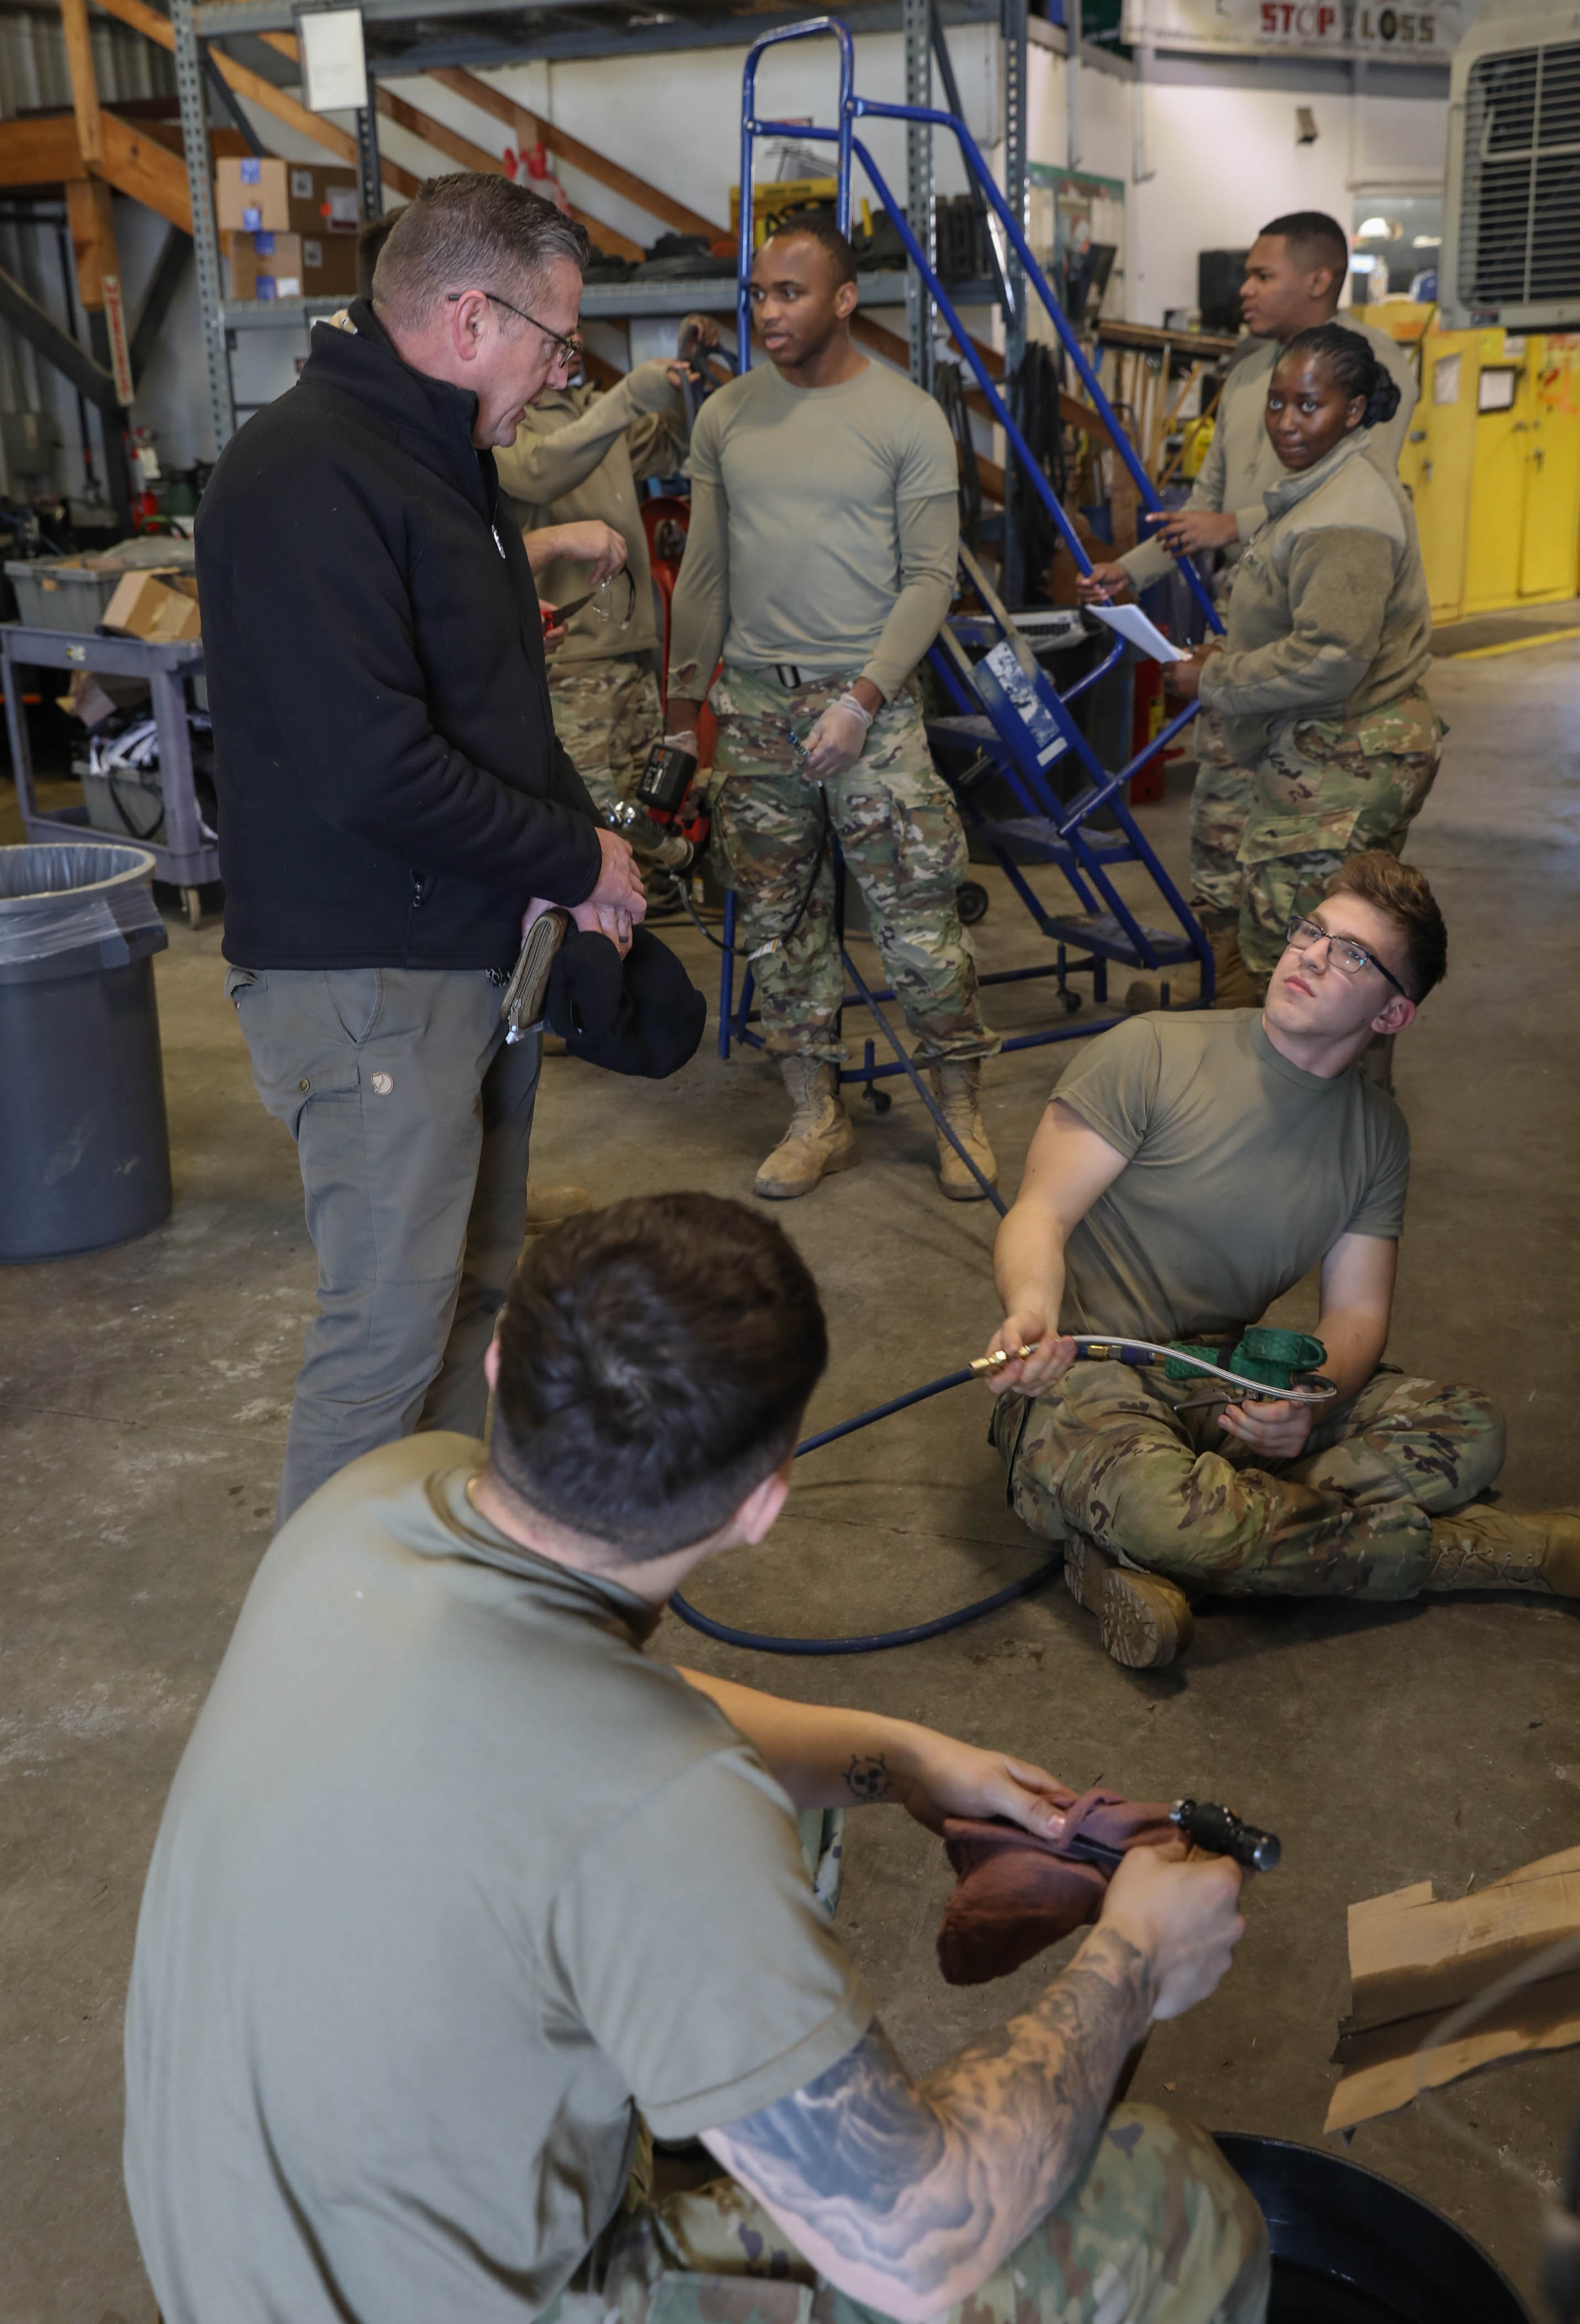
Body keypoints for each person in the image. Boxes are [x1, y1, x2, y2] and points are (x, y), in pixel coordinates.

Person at [124, 1192, 1267, 2324]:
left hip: (243, 2254)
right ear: (762, 1506)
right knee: (1169, 2198)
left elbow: (614, 1703)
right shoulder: (663, 1810)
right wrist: (1133, 1958)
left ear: (496, 1365)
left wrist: (905, 1758)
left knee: (772, 1809)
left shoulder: (376, 1500)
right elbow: (917, 2245)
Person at [198, 172, 646, 1526]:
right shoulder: (303, 474)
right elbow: (372, 764)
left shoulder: (436, 466)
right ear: (469, 316)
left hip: (463, 954)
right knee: (385, 1334)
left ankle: (422, 1584)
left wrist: (573, 848)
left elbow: (484, 705)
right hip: (366, 978)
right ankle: (318, 1665)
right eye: (555, 345)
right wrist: (575, 860)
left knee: (475, 1286)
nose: (559, 378)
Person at [980, 853, 1580, 1671]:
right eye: (1311, 931)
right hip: (1083, 1374)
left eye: (1351, 955)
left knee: (1465, 1429)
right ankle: (1454, 1553)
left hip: (1221, 1382)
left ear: (1392, 1014)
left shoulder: (1375, 1135)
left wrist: (1307, 1395)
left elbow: (1356, 1316)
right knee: (1164, 1510)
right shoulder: (1150, 1051)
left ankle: (1165, 1545)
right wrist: (1031, 1310)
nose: (1309, 954)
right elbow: (1039, 1213)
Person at [665, 218, 998, 1204]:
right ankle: (816, 1115)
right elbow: (703, 572)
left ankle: (957, 1111)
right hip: (757, 702)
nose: (766, 311)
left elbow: (932, 579)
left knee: (917, 922)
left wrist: (860, 699)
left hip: (871, 706)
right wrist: (685, 710)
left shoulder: (904, 418)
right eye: (757, 292)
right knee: (774, 921)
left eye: (789, 293)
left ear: (844, 300)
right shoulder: (725, 415)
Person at [1077, 212, 1419, 1015]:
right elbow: (1202, 508)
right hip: (1250, 624)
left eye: (1263, 275)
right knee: (1222, 836)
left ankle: (1281, 1026)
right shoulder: (1243, 373)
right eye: (1278, 405)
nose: (1244, 289)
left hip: (1320, 664)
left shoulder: (1366, 371)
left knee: (1302, 873)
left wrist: (1235, 527)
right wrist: (1125, 574)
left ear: (1318, 282)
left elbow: (1335, 490)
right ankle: (1228, 1002)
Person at [1164, 327, 1439, 1055]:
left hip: (1343, 758)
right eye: (1277, 403)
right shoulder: (1320, 487)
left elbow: (1332, 655)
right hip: (1322, 746)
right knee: (1308, 965)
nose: (1286, 422)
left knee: (1320, 978)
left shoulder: (1343, 515)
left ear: (1352, 410)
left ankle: (1327, 1148)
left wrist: (1215, 677)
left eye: (1308, 406)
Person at [496, 316, 721, 852]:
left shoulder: (588, 411)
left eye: (574, 335)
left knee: (645, 826)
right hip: (569, 668)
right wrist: (626, 399)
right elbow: (539, 470)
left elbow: (675, 444)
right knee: (590, 831)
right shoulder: (504, 420)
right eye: (557, 335)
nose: (570, 348)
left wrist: (690, 378)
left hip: (632, 656)